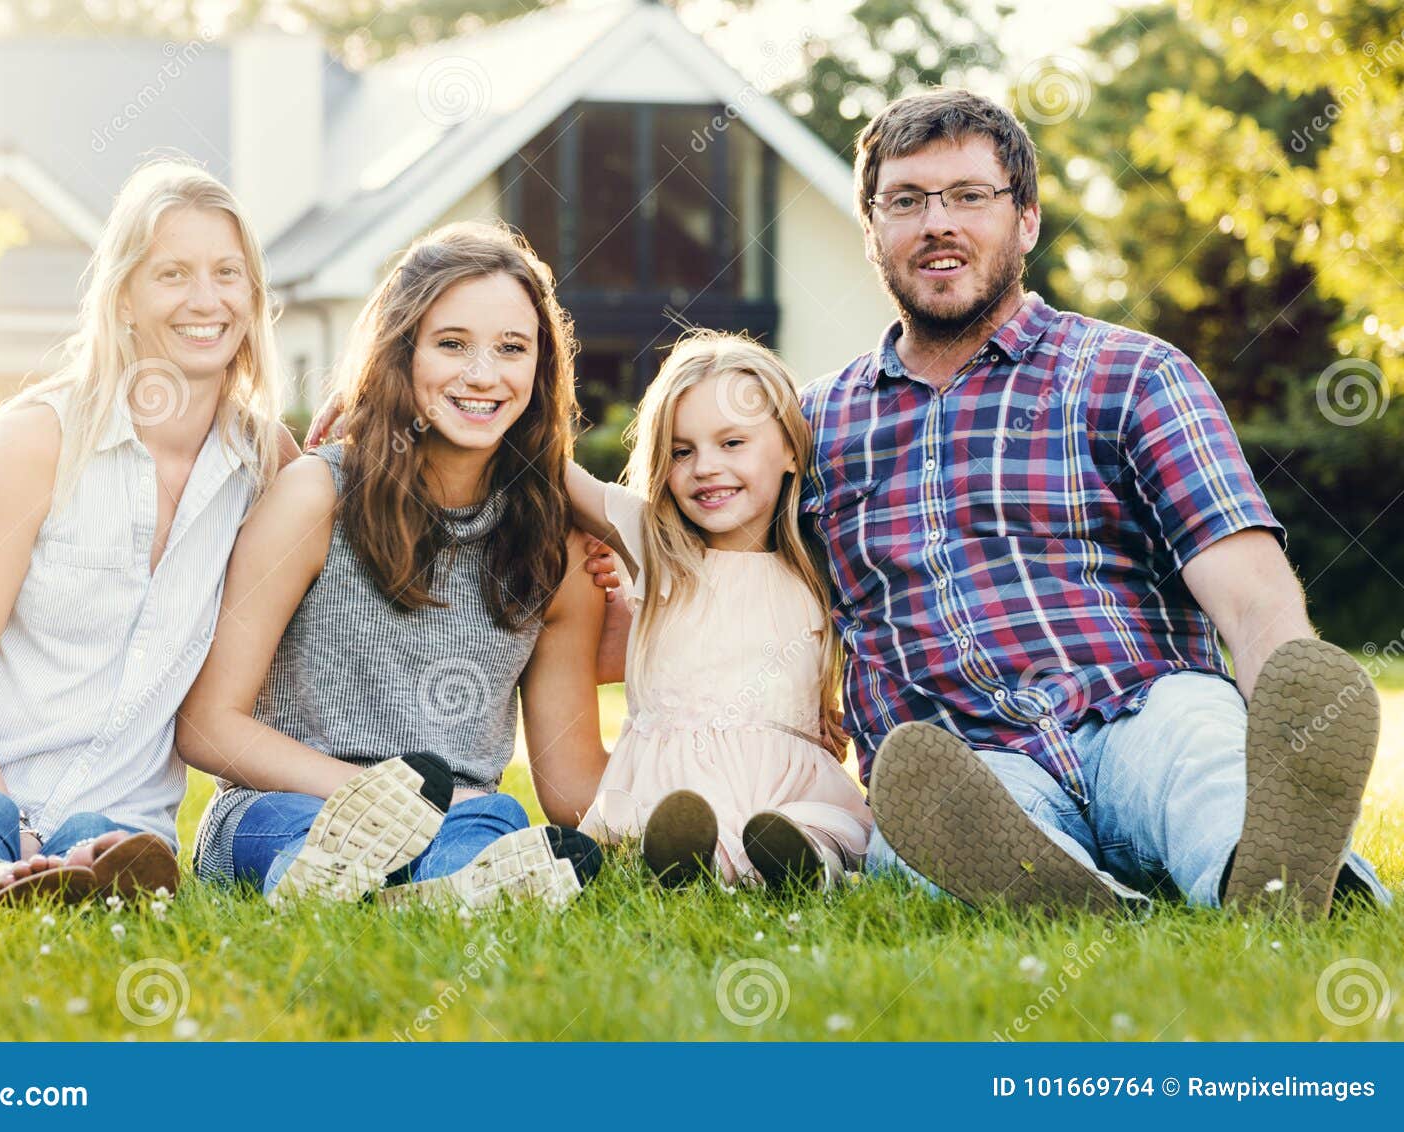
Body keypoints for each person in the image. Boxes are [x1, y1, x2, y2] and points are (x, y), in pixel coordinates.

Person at [809, 88, 1385, 915]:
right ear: (872, 231)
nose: (937, 222)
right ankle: (1071, 894)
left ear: (1028, 221)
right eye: (905, 201)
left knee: (1208, 769)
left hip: (1142, 711)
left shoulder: (1134, 374)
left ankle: (1283, 880)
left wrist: (1294, 729)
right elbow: (706, 578)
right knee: (925, 818)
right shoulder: (811, 425)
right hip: (964, 757)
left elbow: (1253, 598)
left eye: (970, 196)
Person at [0, 159, 297, 907]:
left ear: (252, 296)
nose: (205, 299)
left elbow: (365, 518)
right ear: (122, 299)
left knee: (97, 838)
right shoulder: (39, 440)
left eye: (227, 273)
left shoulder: (266, 466)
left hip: (109, 818)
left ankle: (73, 877)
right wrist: (9, 826)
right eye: (172, 273)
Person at [180, 222, 608, 912]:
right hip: (280, 807)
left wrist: (723, 811)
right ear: (400, 352)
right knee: (308, 836)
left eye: (511, 348)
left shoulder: (555, 550)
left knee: (497, 826)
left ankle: (420, 897)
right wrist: (378, 800)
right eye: (451, 344)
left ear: (542, 367)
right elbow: (207, 723)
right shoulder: (317, 497)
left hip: (460, 817)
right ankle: (331, 883)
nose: (482, 373)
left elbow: (572, 787)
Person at [567, 332, 874, 890]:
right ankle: (689, 858)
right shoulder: (655, 545)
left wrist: (828, 711)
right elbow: (549, 473)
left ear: (789, 451)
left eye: (732, 443)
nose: (705, 466)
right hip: (671, 793)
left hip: (787, 791)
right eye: (682, 451)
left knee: (822, 827)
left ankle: (799, 863)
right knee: (665, 825)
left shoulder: (822, 565)